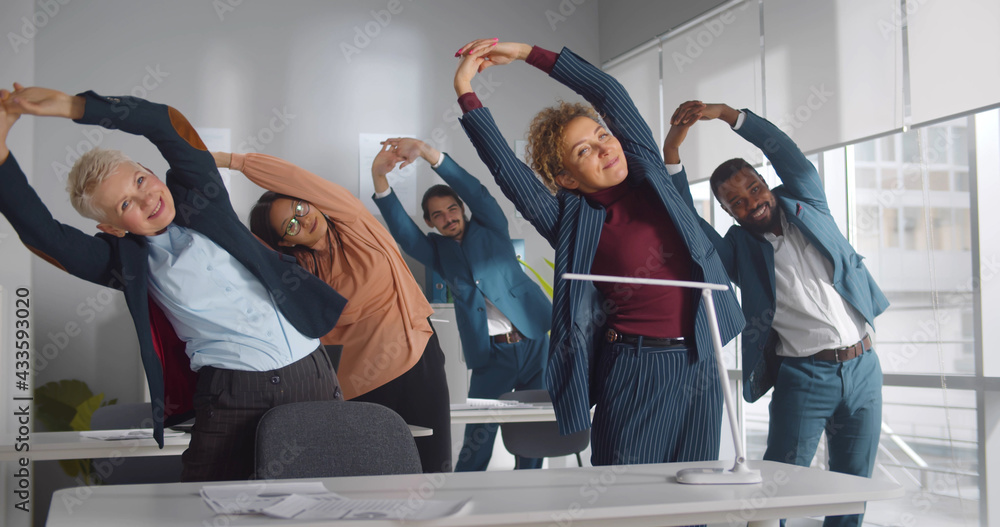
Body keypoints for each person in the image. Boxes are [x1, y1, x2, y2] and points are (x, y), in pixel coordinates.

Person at [0, 84, 347, 482]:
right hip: (235, 392)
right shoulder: (126, 263)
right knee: (204, 503)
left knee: (323, 497)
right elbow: (45, 236)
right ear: (112, 227)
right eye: (125, 205)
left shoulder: (203, 196)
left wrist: (73, 106)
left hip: (311, 374)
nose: (146, 199)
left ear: (149, 172)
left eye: (139, 181)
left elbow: (166, 125)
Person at [451, 39, 745, 467]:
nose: (604, 148)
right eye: (583, 151)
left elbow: (609, 92)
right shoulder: (570, 222)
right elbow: (506, 168)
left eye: (602, 135)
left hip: (703, 353)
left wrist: (526, 52)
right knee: (627, 492)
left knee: (697, 486)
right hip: (637, 365)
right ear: (567, 178)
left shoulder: (648, 169)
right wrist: (465, 89)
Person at [672, 101, 886, 527]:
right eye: (736, 201)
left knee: (852, 488)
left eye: (754, 189)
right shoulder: (737, 252)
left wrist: (729, 115)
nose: (751, 202)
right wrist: (673, 154)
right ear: (728, 212)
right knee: (779, 488)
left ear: (765, 183)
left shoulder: (809, 204)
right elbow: (688, 222)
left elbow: (786, 152)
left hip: (864, 367)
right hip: (804, 377)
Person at [212, 150, 452, 472]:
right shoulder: (298, 274)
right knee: (370, 479)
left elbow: (295, 178)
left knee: (432, 469)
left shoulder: (354, 222)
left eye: (300, 207)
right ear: (285, 242)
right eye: (291, 225)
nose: (303, 219)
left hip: (415, 362)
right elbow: (246, 251)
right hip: (357, 388)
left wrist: (233, 161)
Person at [371, 137, 551, 471]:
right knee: (478, 437)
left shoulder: (491, 225)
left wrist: (428, 153)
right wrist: (379, 178)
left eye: (452, 209)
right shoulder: (438, 253)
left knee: (532, 434)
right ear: (430, 223)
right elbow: (404, 233)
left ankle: (529, 487)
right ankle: (463, 492)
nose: (448, 217)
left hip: (533, 341)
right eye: (438, 215)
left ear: (462, 208)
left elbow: (476, 191)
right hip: (490, 354)